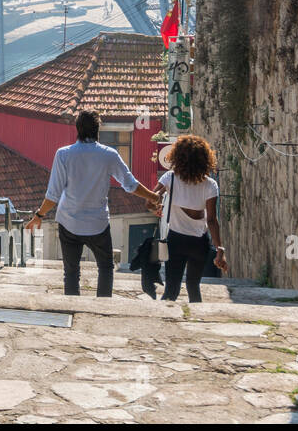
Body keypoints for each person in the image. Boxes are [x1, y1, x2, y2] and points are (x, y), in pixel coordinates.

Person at [26, 110, 160, 297]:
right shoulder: (109, 155)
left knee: (71, 272)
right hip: (97, 224)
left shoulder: (63, 154)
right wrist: (154, 197)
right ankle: (102, 307)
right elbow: (131, 185)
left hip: (69, 222)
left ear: (77, 129)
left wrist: (39, 215)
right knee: (105, 267)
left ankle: (72, 308)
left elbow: (53, 195)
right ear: (98, 130)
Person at [154, 133, 227, 302]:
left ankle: (164, 319)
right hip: (199, 243)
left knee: (171, 289)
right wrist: (219, 249)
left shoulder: (170, 178)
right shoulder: (210, 185)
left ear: (177, 157)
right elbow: (211, 220)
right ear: (205, 160)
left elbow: (153, 198)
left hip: (175, 241)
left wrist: (157, 204)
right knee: (193, 286)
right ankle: (196, 319)